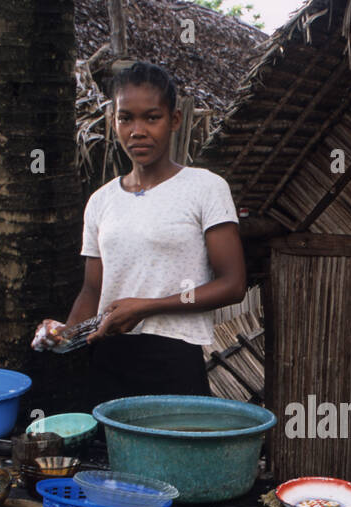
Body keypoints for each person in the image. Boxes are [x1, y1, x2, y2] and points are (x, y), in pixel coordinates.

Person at [33, 62, 247, 403]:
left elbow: (232, 284)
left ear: (174, 120)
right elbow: (92, 290)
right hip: (107, 362)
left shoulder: (204, 188)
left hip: (175, 359)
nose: (137, 130)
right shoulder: (101, 201)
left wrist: (147, 307)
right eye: (125, 118)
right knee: (107, 457)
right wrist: (64, 334)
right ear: (113, 121)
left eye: (152, 117)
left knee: (175, 455)